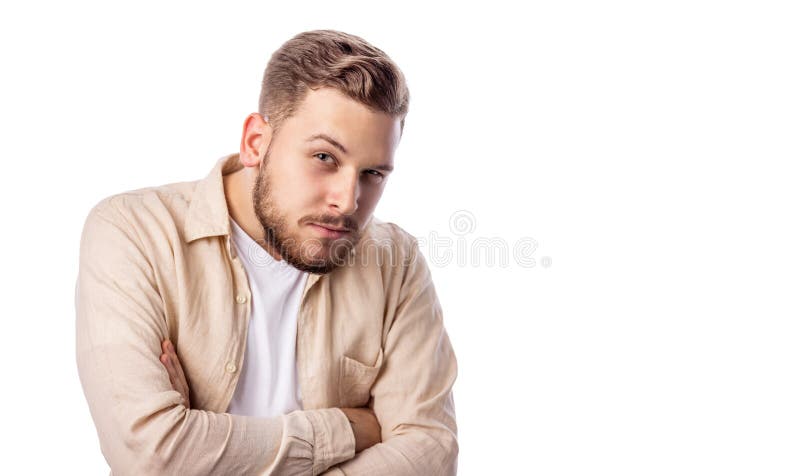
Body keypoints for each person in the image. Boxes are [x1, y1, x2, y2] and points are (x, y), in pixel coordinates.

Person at [75, 29, 458, 475]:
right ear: (256, 142)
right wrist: (350, 430)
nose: (348, 200)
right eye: (324, 158)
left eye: (373, 172)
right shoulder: (132, 232)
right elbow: (152, 454)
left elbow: (430, 454)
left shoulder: (397, 263)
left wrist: (205, 443)